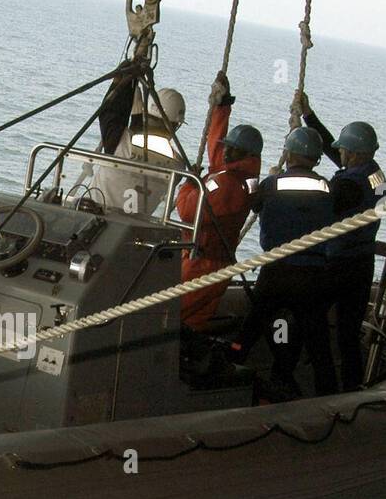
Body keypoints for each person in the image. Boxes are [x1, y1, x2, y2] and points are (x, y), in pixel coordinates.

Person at [226, 126, 339, 399]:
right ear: (315, 157)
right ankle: (329, 395)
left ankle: (229, 364)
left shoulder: (272, 184)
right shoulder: (326, 187)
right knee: (317, 341)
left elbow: (253, 202)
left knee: (251, 327)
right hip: (312, 275)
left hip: (277, 271)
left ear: (288, 153)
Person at [299, 93, 385, 391]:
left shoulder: (347, 184)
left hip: (339, 263)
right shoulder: (374, 174)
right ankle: (351, 388)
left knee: (310, 315)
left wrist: (282, 179)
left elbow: (322, 204)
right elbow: (342, 160)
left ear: (355, 153)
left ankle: (323, 382)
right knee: (348, 333)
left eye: (345, 151)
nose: (342, 155)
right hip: (363, 265)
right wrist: (309, 117)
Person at [174, 71, 262, 341]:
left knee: (172, 316)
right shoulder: (238, 176)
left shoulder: (226, 185)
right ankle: (192, 364)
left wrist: (188, 184)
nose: (225, 151)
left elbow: (188, 211)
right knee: (193, 321)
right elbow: (216, 149)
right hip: (212, 263)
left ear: (245, 155)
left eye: (232, 149)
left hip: (202, 265)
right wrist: (222, 106)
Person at [76, 75, 186, 216]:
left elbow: (109, 113)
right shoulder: (178, 167)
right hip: (133, 232)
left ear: (148, 112)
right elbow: (146, 154)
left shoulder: (121, 142)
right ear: (176, 125)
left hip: (92, 217)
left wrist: (121, 81)